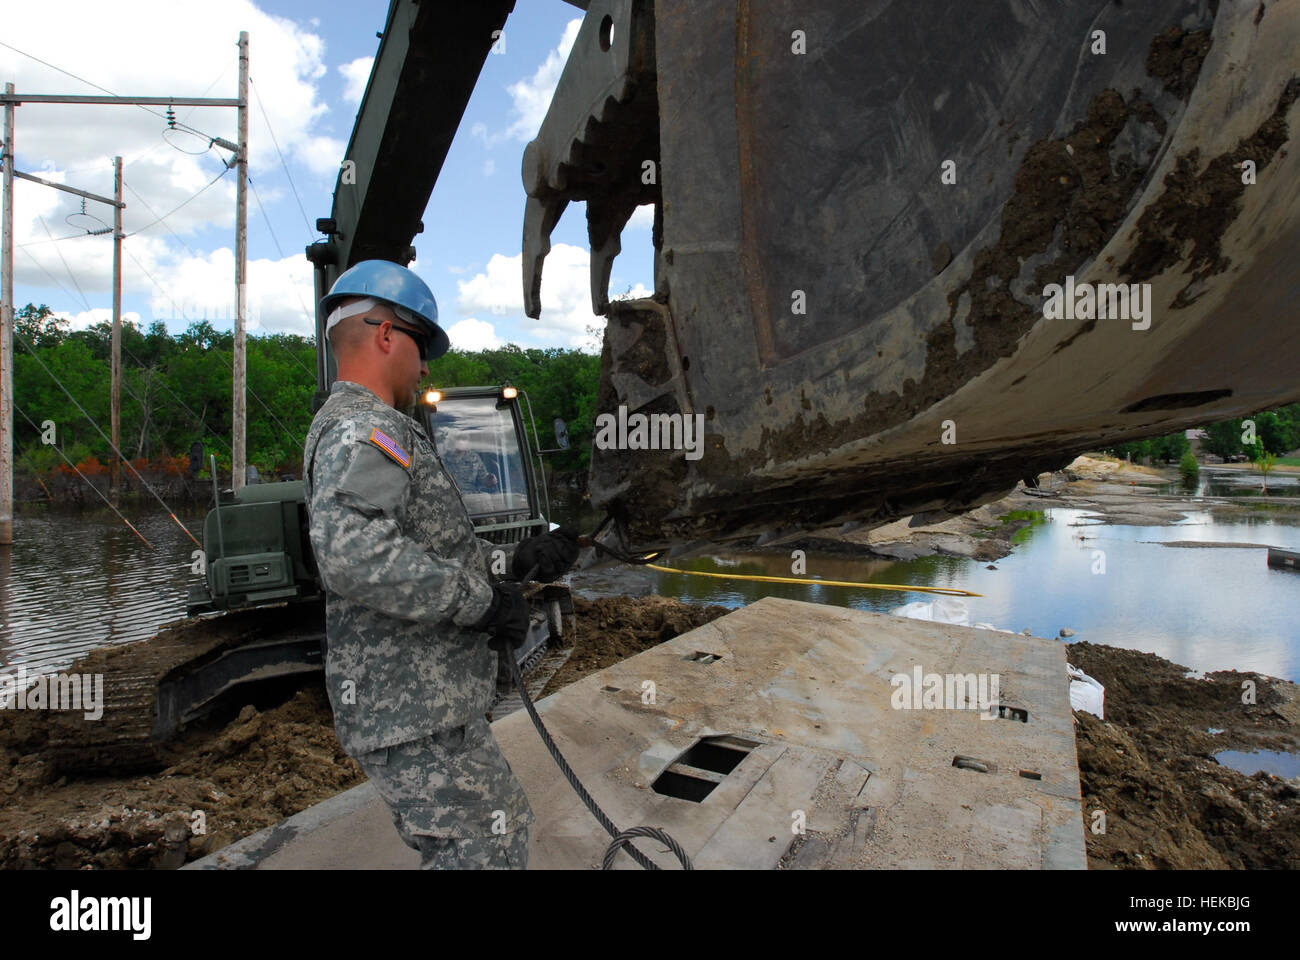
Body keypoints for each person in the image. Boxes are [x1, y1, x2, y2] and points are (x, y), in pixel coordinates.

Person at [301, 259, 577, 869]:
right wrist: (481, 605)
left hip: (422, 702)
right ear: (384, 335)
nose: (425, 367)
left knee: (487, 839)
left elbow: (422, 546)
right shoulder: (366, 429)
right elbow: (354, 553)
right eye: (422, 346)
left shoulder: (367, 426)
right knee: (484, 848)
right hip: (411, 703)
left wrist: (513, 561)